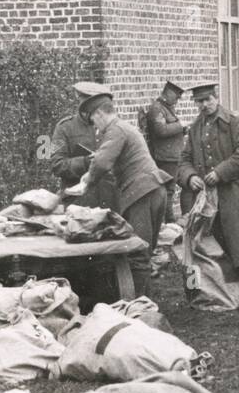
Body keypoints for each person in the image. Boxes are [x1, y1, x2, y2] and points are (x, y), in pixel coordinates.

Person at [63, 91, 171, 298]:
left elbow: (102, 163)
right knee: (143, 252)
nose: (94, 125)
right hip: (151, 190)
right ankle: (145, 303)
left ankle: (138, 309)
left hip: (142, 193)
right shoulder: (123, 128)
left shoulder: (115, 130)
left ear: (100, 114)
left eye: (94, 119)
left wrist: (85, 182)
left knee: (137, 253)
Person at [176, 83, 239, 309]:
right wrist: (190, 177)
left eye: (208, 99)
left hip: (234, 191)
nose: (204, 105)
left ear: (217, 98)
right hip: (206, 198)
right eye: (199, 101)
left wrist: (220, 172)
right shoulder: (196, 127)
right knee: (197, 243)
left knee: (237, 242)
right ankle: (200, 290)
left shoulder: (234, 121)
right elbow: (184, 159)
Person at [48, 82, 114, 207]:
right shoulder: (64, 128)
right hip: (77, 201)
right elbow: (56, 164)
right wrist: (85, 162)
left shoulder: (111, 126)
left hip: (109, 197)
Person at [144, 80, 187, 224]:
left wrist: (183, 128)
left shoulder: (166, 108)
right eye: (175, 96)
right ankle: (168, 222)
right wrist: (181, 126)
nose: (176, 101)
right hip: (165, 157)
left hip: (172, 157)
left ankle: (169, 222)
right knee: (167, 191)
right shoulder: (157, 109)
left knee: (170, 190)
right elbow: (160, 130)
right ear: (167, 93)